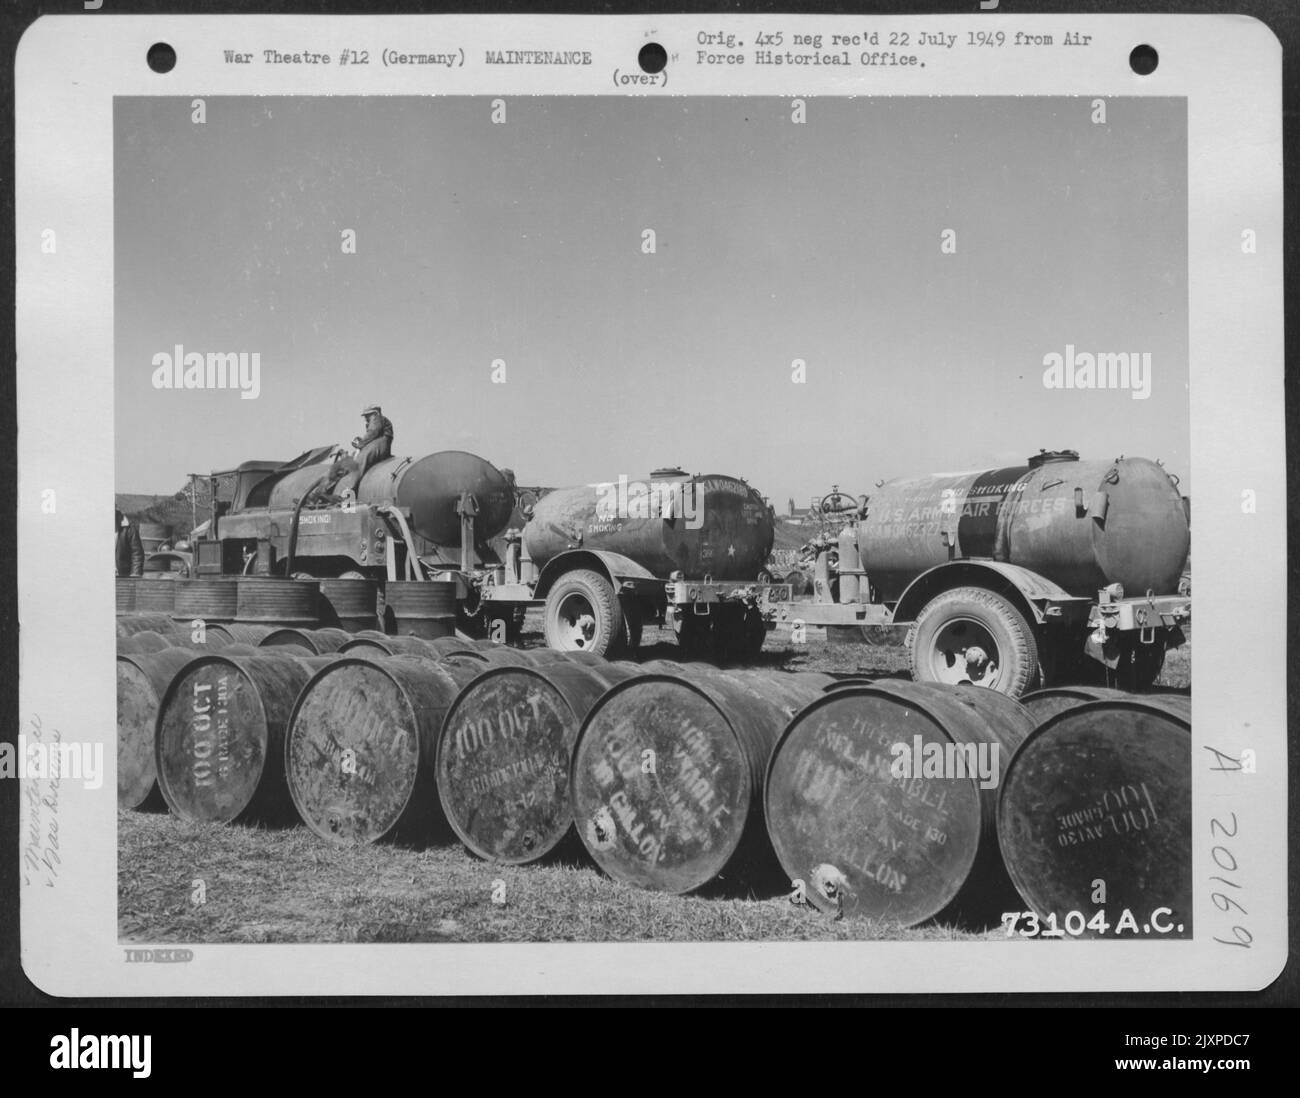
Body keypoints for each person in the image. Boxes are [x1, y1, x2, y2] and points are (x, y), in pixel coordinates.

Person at [320, 404, 394, 500]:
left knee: (357, 464)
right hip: (374, 443)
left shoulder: (377, 418)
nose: (366, 418)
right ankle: (324, 492)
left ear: (375, 413)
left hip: (381, 443)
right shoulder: (375, 420)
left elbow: (372, 433)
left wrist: (361, 443)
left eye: (367, 415)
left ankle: (342, 495)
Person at [115, 509, 144, 577]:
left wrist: (135, 573)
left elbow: (137, 554)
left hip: (123, 574)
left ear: (121, 518)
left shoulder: (130, 531)